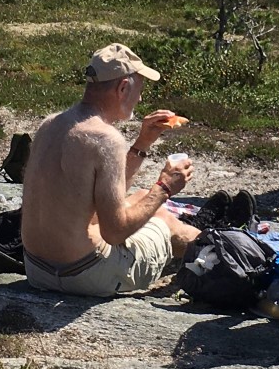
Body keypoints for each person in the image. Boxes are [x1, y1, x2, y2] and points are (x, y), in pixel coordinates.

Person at [19, 44, 199, 298]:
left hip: (38, 270)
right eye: (139, 89)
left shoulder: (50, 124)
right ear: (123, 87)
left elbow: (96, 196)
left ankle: (208, 240)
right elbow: (114, 233)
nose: (140, 98)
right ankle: (217, 249)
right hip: (85, 275)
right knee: (162, 218)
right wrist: (166, 187)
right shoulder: (106, 138)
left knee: (138, 198)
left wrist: (142, 143)